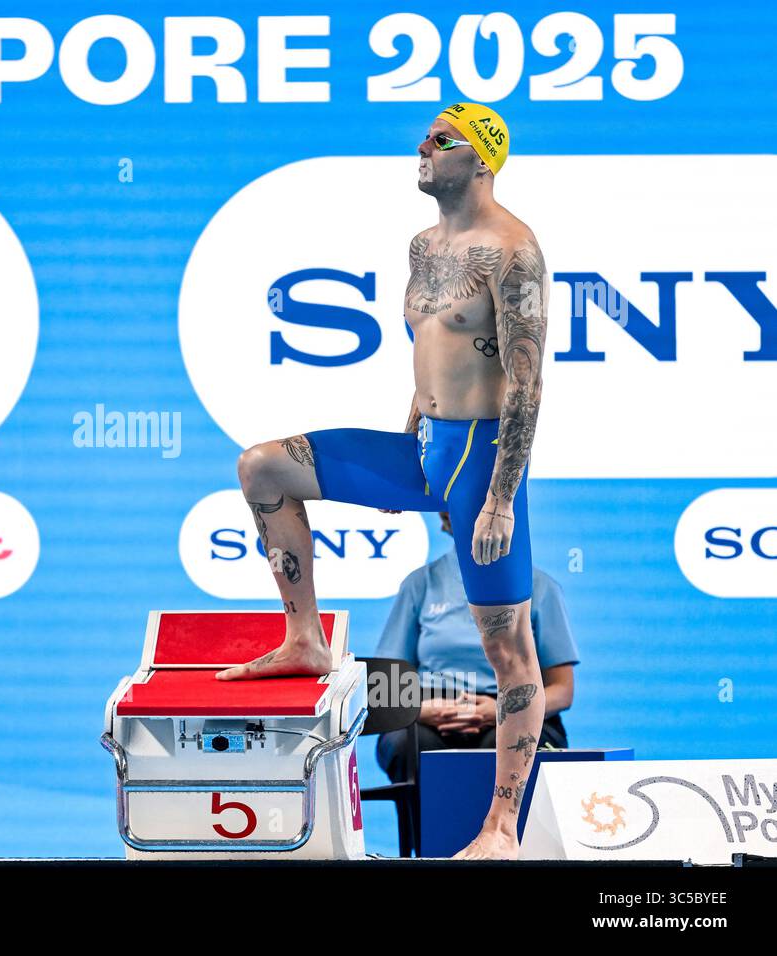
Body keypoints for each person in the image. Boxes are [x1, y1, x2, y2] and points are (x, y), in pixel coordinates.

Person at [218, 104, 549, 859]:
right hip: (428, 450)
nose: (423, 149)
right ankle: (303, 637)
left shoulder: (513, 252)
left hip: (483, 461)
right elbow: (429, 355)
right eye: (425, 138)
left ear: (483, 159)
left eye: (442, 140)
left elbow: (525, 385)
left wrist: (497, 496)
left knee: (509, 652)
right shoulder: (423, 245)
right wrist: (411, 451)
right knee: (263, 465)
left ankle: (502, 829)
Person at [374, 511, 577, 784]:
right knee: (408, 744)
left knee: (505, 743)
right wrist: (424, 711)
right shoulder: (420, 584)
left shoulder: (540, 587)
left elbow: (562, 691)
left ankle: (505, 826)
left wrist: (501, 712)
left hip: (516, 704)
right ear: (447, 517)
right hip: (431, 708)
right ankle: (426, 828)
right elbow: (386, 688)